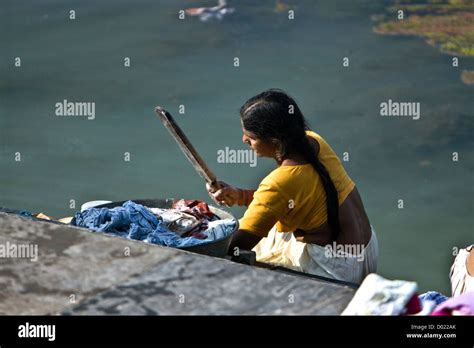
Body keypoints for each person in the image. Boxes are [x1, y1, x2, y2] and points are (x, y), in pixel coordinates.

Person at [207, 89, 378, 284]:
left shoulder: (279, 182)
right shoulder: (314, 141)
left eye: (251, 137)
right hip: (367, 251)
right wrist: (242, 196)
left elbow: (236, 245)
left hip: (335, 271)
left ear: (275, 141)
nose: (244, 140)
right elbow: (289, 195)